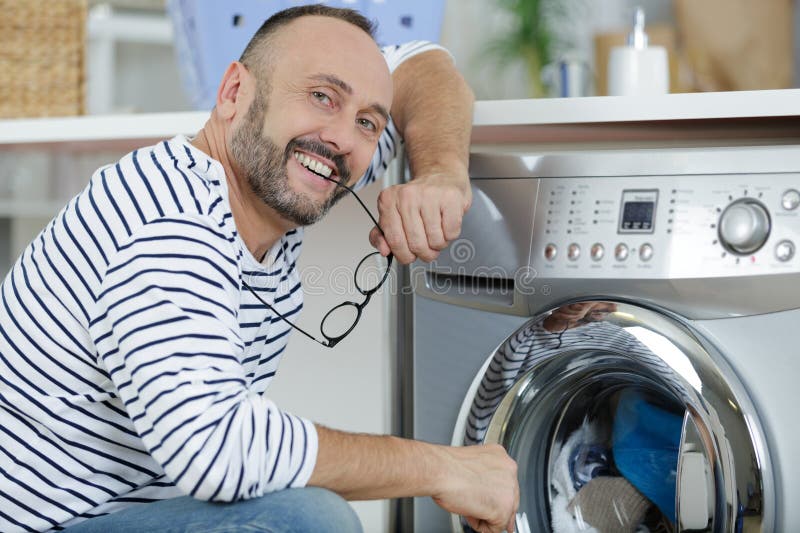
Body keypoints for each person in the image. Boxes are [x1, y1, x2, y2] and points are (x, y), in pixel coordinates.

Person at [0, 4, 519, 533]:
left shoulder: (290, 170)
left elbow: (420, 64)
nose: (342, 138)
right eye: (321, 96)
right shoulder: (172, 223)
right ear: (234, 94)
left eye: (367, 122)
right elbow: (214, 450)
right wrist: (445, 469)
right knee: (307, 520)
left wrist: (441, 174)